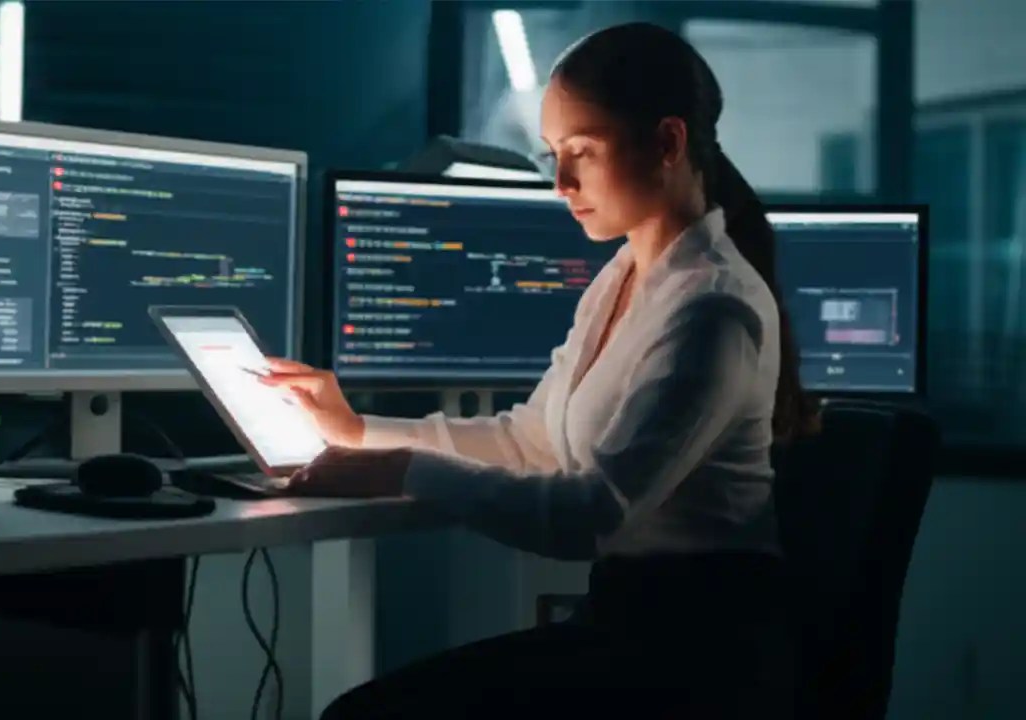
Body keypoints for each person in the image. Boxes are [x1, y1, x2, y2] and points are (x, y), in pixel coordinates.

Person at [264, 21, 819, 719]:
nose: (558, 182)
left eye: (581, 152)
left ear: (668, 143)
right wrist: (359, 431)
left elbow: (590, 517)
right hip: (629, 629)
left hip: (695, 659)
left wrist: (404, 469)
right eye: (553, 153)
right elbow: (530, 439)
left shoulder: (713, 309)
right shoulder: (624, 277)